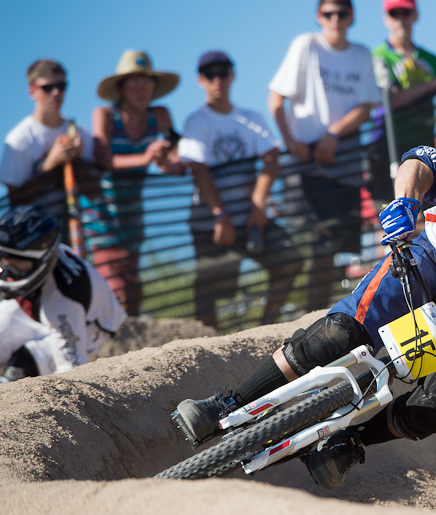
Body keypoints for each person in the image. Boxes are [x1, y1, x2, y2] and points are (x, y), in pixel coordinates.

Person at [171, 147, 436, 490]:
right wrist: (406, 202)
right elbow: (422, 160)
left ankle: (350, 442)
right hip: (430, 261)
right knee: (335, 334)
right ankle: (226, 404)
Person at [268, 0, 380, 313]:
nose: (335, 20)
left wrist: (334, 134)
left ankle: (319, 314)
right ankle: (298, 317)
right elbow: (276, 99)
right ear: (319, 16)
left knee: (337, 245)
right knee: (313, 243)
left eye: (341, 13)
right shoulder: (306, 45)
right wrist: (291, 141)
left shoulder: (361, 53)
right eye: (328, 13)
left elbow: (365, 106)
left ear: (352, 17)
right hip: (306, 161)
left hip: (343, 157)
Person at [178, 50, 303, 330]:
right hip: (210, 223)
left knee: (290, 261)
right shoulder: (197, 121)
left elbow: (272, 157)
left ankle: (266, 329)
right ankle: (208, 347)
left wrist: (258, 202)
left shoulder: (251, 117)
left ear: (232, 75)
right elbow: (198, 170)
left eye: (223, 72)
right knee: (210, 291)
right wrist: (219, 214)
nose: (217, 79)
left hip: (250, 218)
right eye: (210, 74)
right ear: (201, 80)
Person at [91, 50, 183, 317]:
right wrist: (144, 158)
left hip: (134, 212)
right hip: (102, 215)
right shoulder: (106, 115)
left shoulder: (161, 114)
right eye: (133, 81)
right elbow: (103, 158)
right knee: (113, 284)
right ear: (120, 87)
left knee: (132, 289)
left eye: (146, 81)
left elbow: (177, 160)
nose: (141, 88)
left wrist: (167, 163)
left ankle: (125, 346)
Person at [0, 205, 126, 382]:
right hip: (35, 306)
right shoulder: (48, 257)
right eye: (4, 260)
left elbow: (71, 372)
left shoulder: (64, 301)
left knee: (19, 368)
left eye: (19, 265)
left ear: (43, 260)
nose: (8, 273)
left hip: (87, 328)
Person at [368, 0, 436, 205]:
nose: (401, 19)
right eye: (395, 13)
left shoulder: (431, 60)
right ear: (386, 18)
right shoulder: (379, 56)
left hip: (423, 147)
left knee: (424, 215)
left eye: (406, 12)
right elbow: (391, 100)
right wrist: (435, 83)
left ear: (415, 15)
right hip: (386, 146)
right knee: (386, 217)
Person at [0, 59, 94, 215]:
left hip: (74, 231)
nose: (56, 93)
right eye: (47, 88)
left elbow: (94, 193)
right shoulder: (18, 140)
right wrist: (49, 165)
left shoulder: (80, 133)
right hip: (36, 234)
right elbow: (15, 201)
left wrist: (78, 162)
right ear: (32, 92)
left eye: (61, 86)